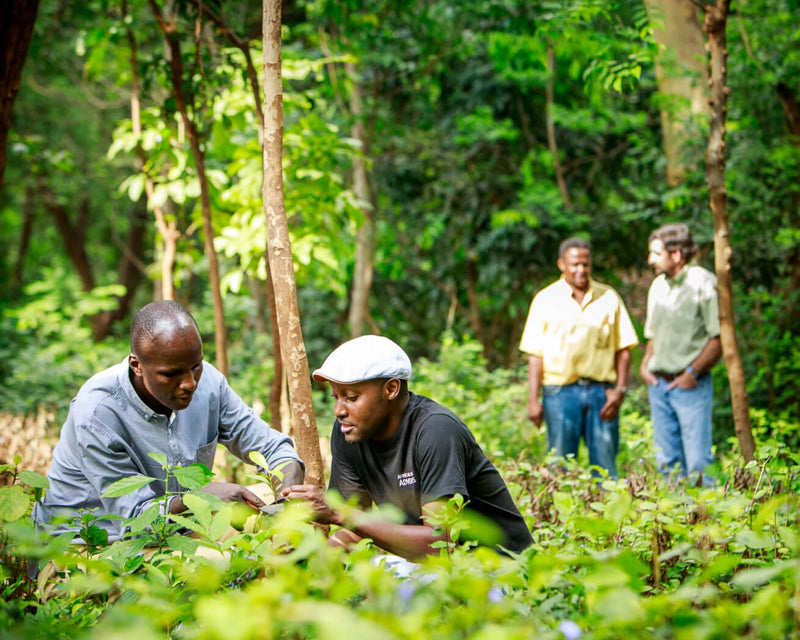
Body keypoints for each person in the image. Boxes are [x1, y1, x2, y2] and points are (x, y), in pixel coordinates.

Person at [33, 300, 305, 540]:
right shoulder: (97, 413)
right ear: (136, 365)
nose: (189, 383)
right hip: (92, 545)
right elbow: (135, 520)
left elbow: (275, 449)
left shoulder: (209, 383)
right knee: (216, 570)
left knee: (283, 519)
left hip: (177, 528)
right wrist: (200, 498)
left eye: (195, 366)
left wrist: (286, 501)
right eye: (171, 374)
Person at [282, 335, 533, 560]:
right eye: (336, 396)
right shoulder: (349, 432)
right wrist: (315, 559)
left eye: (351, 397)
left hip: (499, 569)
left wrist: (339, 514)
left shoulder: (436, 430)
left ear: (391, 389)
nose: (339, 410)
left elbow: (439, 545)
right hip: (433, 569)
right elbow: (356, 529)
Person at [519, 237, 638, 478]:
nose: (580, 270)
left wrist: (620, 390)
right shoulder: (545, 299)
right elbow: (535, 354)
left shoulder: (609, 297)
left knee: (605, 467)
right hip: (560, 393)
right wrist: (533, 399)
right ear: (562, 264)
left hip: (601, 393)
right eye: (574, 264)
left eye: (585, 264)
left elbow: (623, 348)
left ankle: (608, 512)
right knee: (560, 466)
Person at [639, 223, 721, 482]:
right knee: (667, 464)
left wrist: (691, 373)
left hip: (690, 386)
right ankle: (675, 520)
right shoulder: (657, 286)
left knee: (699, 463)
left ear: (676, 254)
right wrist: (645, 366)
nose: (650, 260)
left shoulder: (703, 282)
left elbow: (718, 338)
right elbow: (653, 334)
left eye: (655, 253)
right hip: (658, 385)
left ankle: (707, 519)